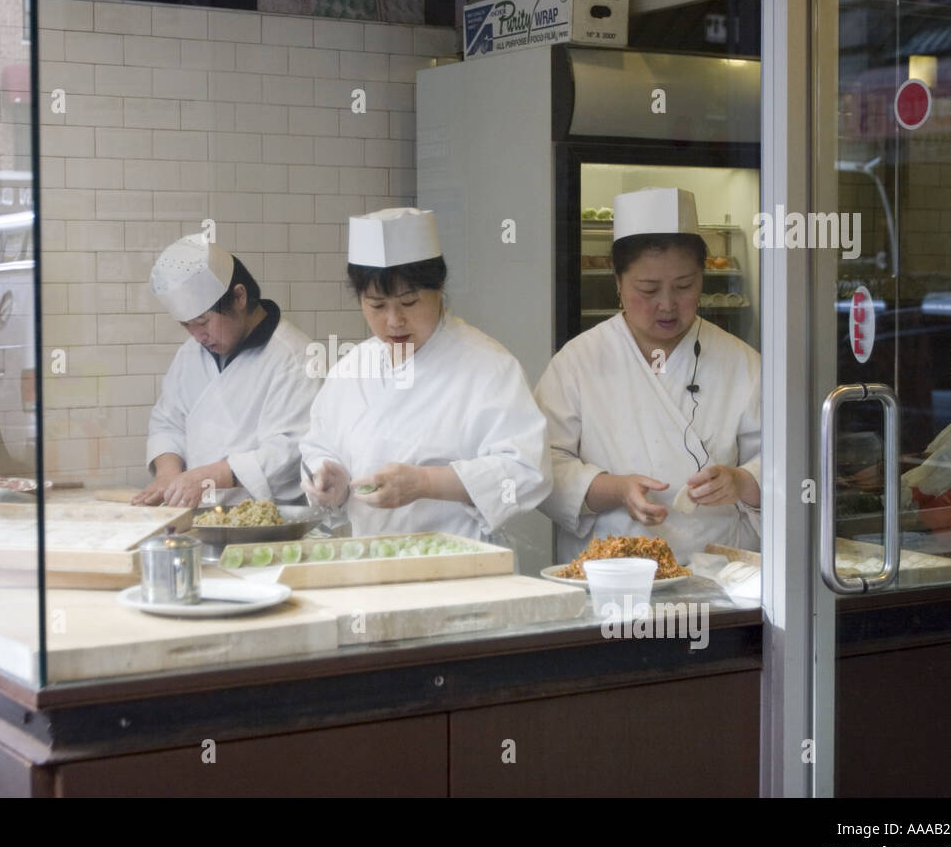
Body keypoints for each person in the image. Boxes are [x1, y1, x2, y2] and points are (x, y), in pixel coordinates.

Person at [534, 187, 761, 564]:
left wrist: (742, 482)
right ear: (618, 282)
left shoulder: (741, 362)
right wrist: (614, 489)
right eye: (648, 289)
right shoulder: (578, 362)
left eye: (685, 286)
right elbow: (541, 465)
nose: (668, 304)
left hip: (720, 577)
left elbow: (785, 462)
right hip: (611, 575)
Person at [298, 207, 551, 541]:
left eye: (410, 302)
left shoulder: (487, 365)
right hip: (371, 565)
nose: (393, 321)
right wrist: (332, 481)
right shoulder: (350, 368)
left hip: (460, 570)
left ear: (440, 287)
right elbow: (319, 446)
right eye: (376, 305)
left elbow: (528, 471)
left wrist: (425, 483)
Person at [133, 234, 319, 507]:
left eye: (203, 322)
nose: (198, 336)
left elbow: (292, 450)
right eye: (186, 326)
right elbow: (168, 422)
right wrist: (167, 475)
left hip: (269, 522)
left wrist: (213, 476)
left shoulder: (295, 356)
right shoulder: (191, 353)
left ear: (239, 297)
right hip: (197, 515)